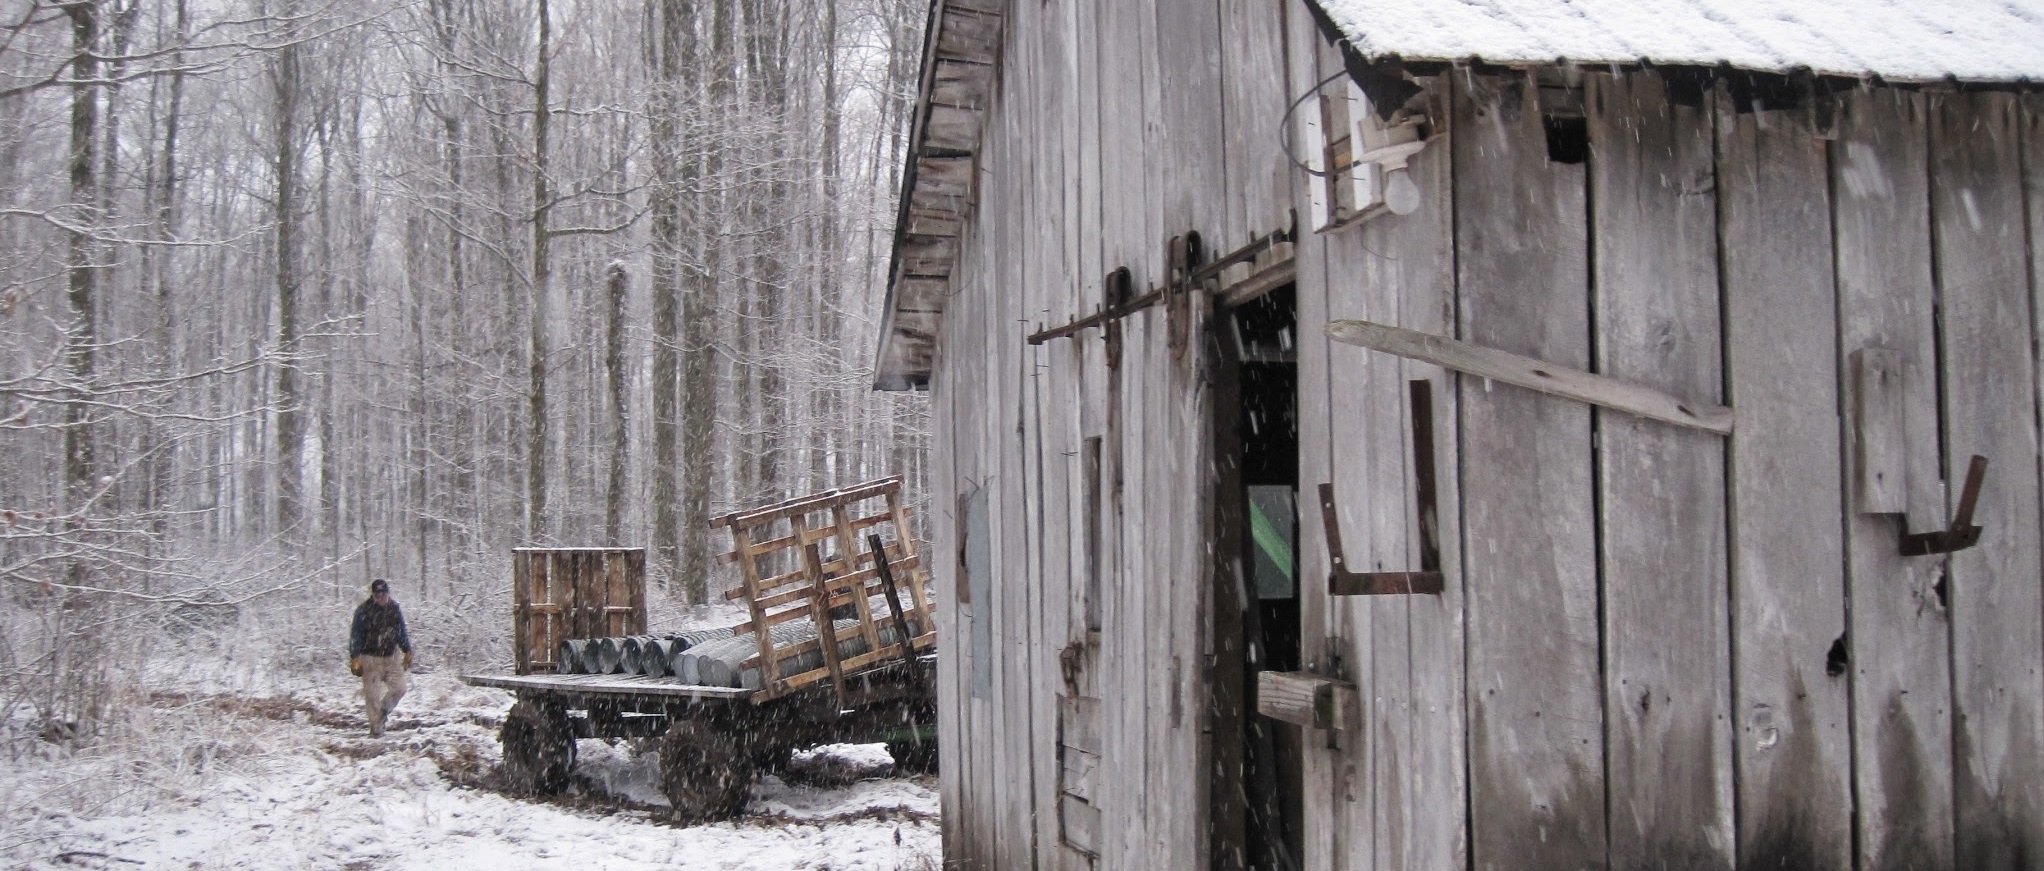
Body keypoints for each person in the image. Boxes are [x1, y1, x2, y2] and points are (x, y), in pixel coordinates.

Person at [348, 578, 413, 737]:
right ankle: (376, 729)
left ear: (388, 593)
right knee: (372, 696)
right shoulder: (363, 611)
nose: (381, 597)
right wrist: (355, 657)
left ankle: (384, 712)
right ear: (373, 595)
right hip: (370, 658)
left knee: (400, 689)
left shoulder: (394, 609)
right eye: (378, 594)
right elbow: (355, 635)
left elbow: (400, 631)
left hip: (391, 657)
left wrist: (408, 650)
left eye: (384, 594)